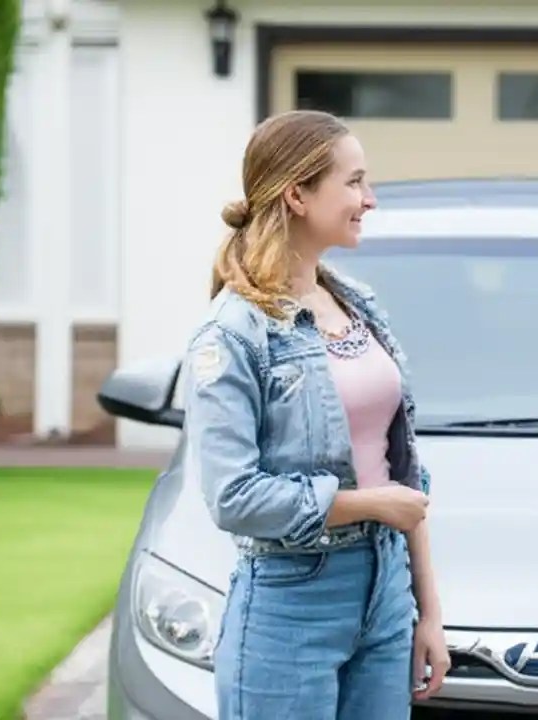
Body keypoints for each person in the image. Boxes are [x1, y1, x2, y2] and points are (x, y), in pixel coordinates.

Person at [181, 109, 451, 719]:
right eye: (354, 182)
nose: (370, 199)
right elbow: (235, 497)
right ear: (297, 194)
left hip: (384, 593)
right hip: (289, 600)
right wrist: (369, 504)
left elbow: (405, 474)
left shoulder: (361, 306)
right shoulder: (232, 332)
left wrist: (428, 611)